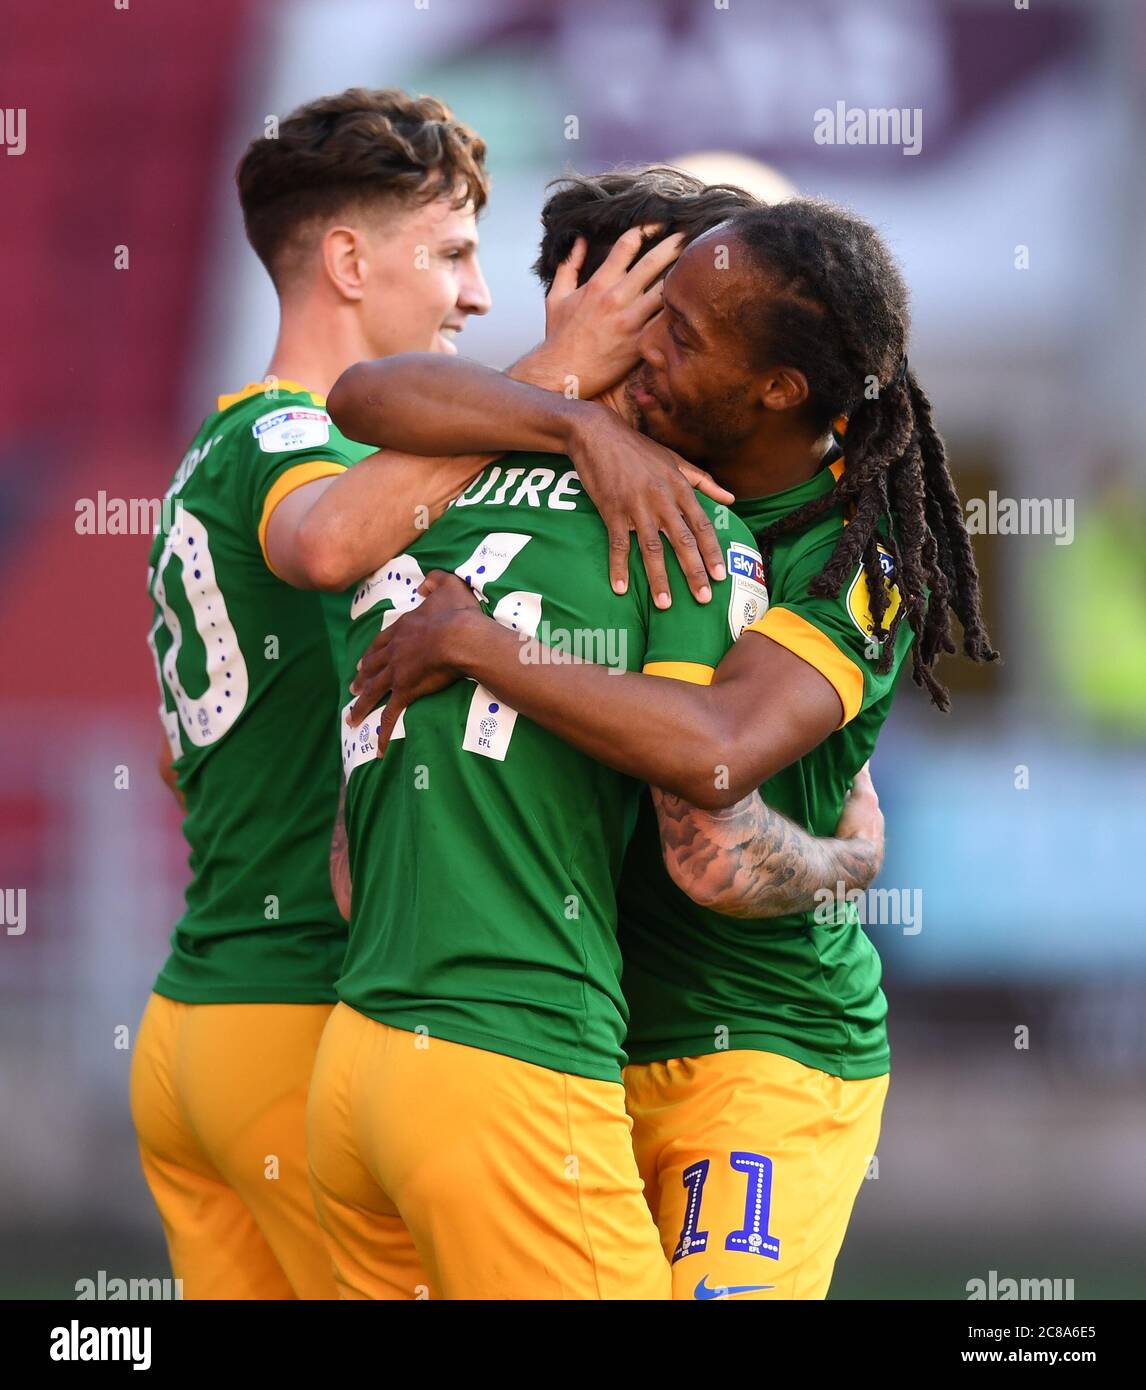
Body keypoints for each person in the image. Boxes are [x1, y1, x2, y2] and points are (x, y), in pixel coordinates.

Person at [335, 197, 998, 1299]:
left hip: (761, 1050)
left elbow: (723, 749)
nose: (642, 345)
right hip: (592, 1036)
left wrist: (484, 649)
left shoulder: (856, 557)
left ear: (778, 389)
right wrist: (575, 418)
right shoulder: (630, 432)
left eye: (681, 333)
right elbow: (368, 394)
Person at [130, 86, 494, 1301]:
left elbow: (192, 761)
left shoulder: (208, 454)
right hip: (290, 1019)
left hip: (200, 1019)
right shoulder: (296, 444)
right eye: (450, 253)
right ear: (347, 259)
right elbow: (328, 546)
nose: (478, 295)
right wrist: (560, 388)